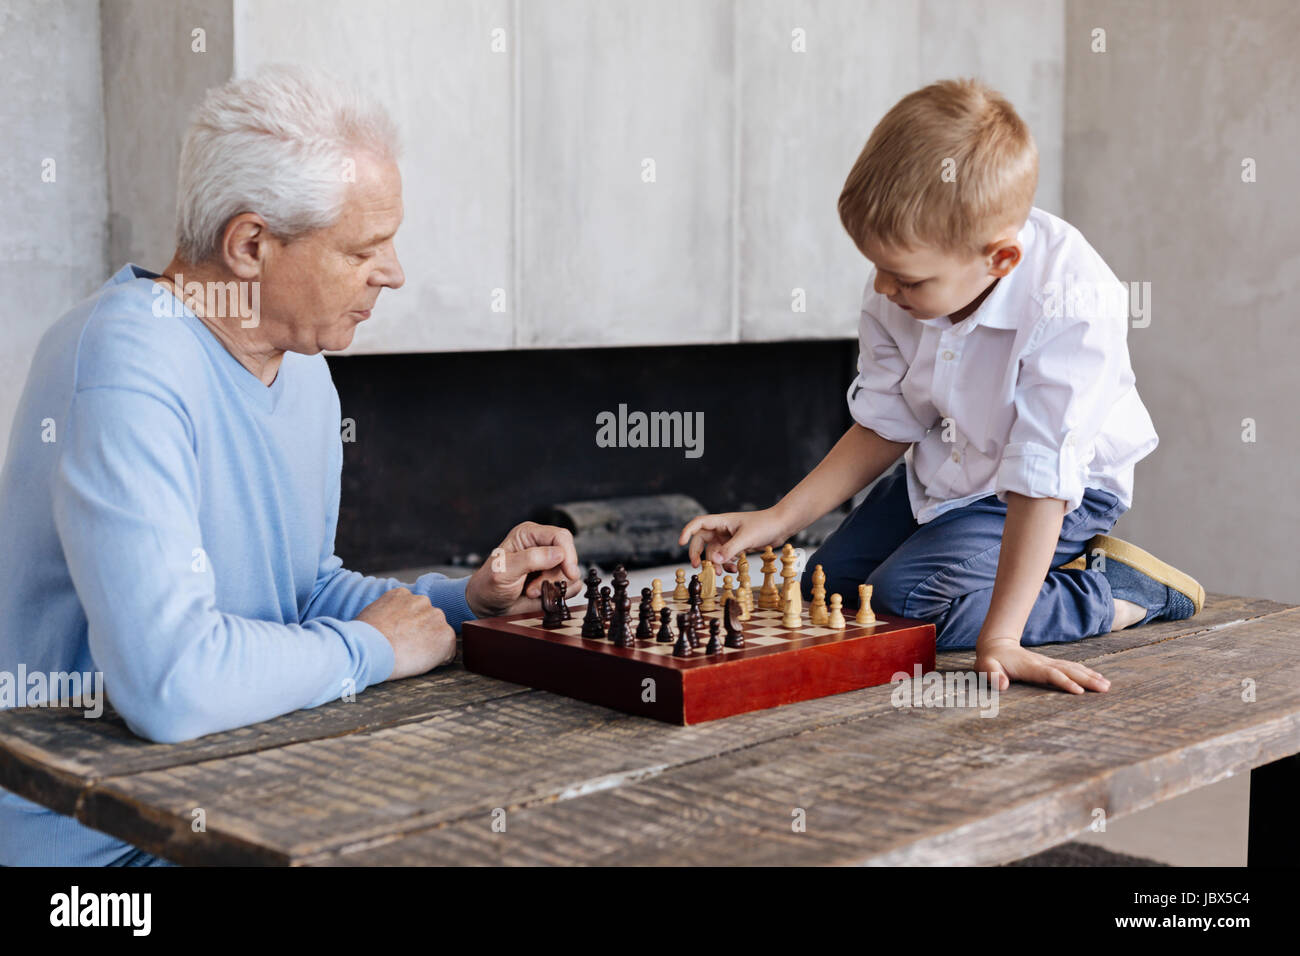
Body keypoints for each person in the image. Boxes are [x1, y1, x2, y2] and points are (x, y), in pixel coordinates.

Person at [0, 65, 580, 866]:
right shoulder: (125, 360)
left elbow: (299, 591)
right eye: (363, 249)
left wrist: (463, 601)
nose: (395, 273)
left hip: (238, 794)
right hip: (96, 851)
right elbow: (170, 683)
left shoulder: (300, 365)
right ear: (249, 245)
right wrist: (371, 650)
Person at [679, 78, 1203, 695]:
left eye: (903, 278)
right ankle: (997, 581)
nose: (882, 289)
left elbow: (1040, 478)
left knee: (906, 605)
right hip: (951, 474)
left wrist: (1003, 637)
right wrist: (778, 517)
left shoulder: (1073, 302)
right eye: (876, 267)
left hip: (1062, 491)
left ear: (998, 260)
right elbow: (886, 419)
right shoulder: (906, 279)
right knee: (840, 591)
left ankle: (1113, 591)